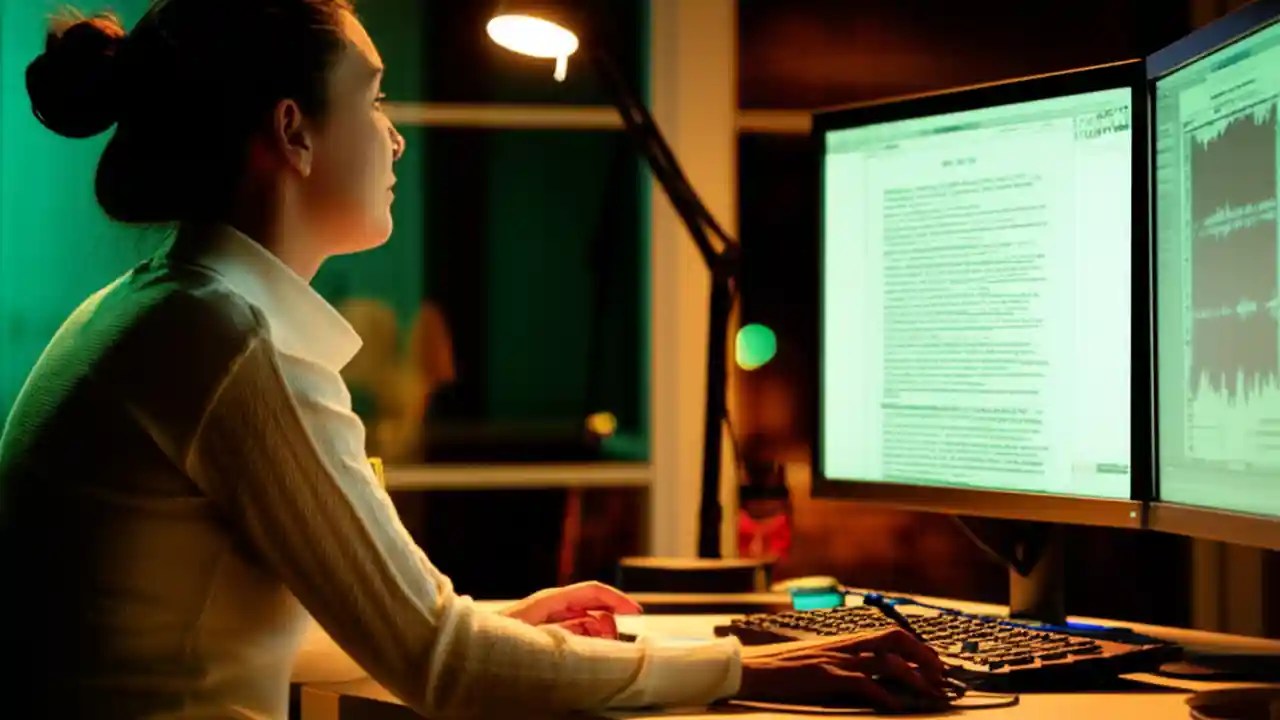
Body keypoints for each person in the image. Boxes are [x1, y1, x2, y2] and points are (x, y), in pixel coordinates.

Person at [0, 1, 951, 718]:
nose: (395, 134)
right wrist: (747, 664)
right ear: (292, 131)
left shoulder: (154, 312)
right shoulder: (227, 340)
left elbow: (243, 638)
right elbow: (438, 666)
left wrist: (499, 627)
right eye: (372, 98)